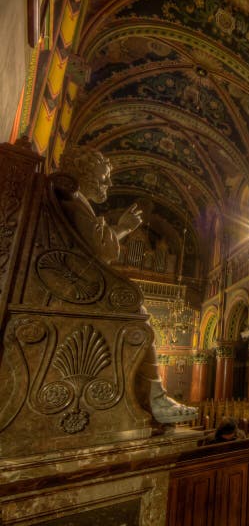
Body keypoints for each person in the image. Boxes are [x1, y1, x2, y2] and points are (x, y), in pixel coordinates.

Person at [58, 145, 197, 424]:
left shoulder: (74, 199)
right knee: (139, 318)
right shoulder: (74, 200)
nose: (109, 183)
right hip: (76, 287)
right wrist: (121, 227)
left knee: (139, 318)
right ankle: (148, 397)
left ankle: (146, 397)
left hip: (78, 285)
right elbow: (104, 249)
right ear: (83, 174)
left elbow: (101, 249)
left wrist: (121, 228)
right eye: (104, 176)